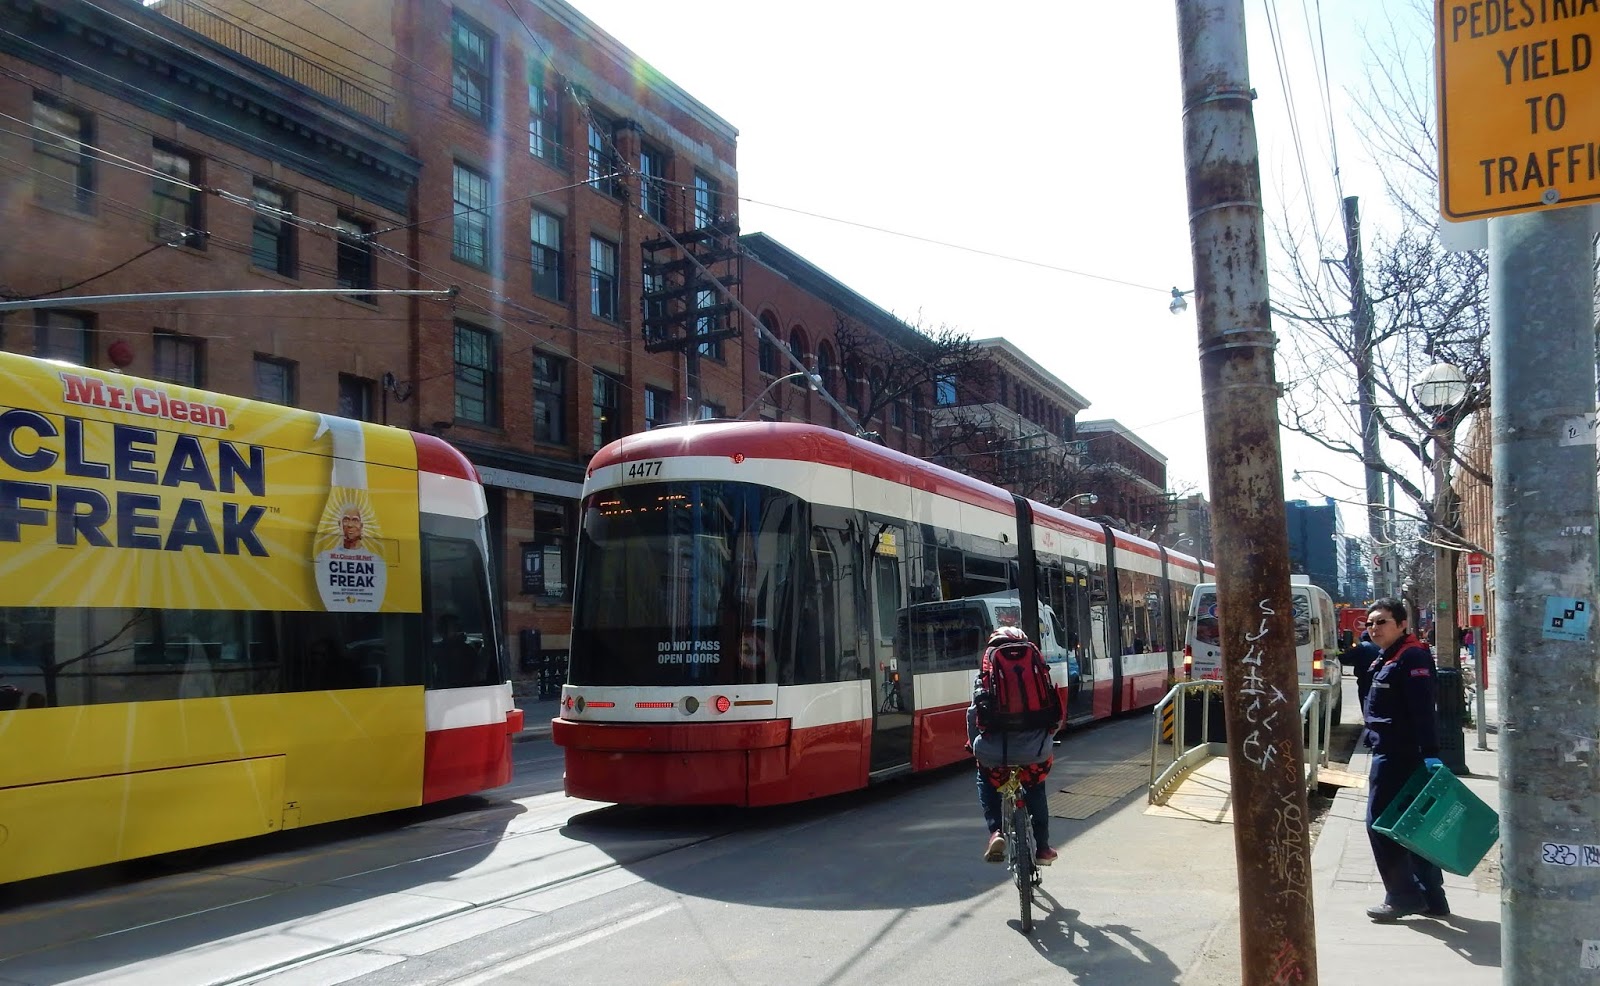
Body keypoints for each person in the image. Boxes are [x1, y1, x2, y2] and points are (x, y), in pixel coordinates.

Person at [1361, 597, 1450, 922]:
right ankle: (1431, 898)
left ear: (1402, 625)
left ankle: (1402, 895)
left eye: (1381, 621)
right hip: (1394, 753)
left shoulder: (1411, 656)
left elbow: (1423, 710)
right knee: (1412, 827)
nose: (1374, 628)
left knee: (1379, 825)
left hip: (1399, 756)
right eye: (1370, 623)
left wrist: (1430, 754)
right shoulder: (1390, 656)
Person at [967, 626, 1064, 866]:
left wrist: (974, 747)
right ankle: (1042, 848)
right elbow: (1056, 713)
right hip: (1036, 751)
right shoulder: (1036, 667)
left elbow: (973, 717)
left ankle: (996, 832)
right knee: (1036, 786)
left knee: (984, 776)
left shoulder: (987, 673)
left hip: (996, 753)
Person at [1344, 629, 1382, 708]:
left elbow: (1346, 659)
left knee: (1365, 700)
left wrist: (1343, 652)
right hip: (1378, 678)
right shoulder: (1380, 646)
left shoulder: (1362, 646)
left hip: (1364, 677)